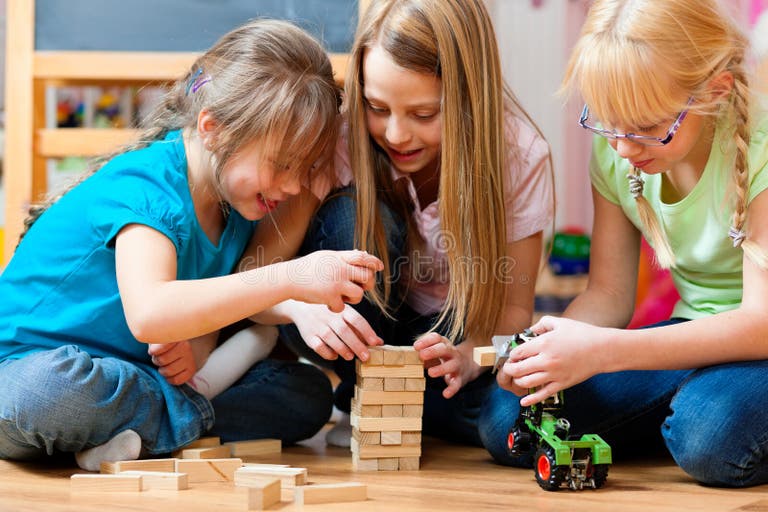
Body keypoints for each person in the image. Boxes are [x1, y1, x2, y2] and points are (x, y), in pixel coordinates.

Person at [0, 19, 383, 471]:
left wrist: (290, 296)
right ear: (213, 129)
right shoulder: (148, 186)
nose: (293, 185)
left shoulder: (236, 201)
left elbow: (228, 304)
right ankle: (164, 419)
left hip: (131, 377)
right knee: (47, 393)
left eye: (305, 168)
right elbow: (150, 314)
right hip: (31, 374)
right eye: (282, 164)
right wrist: (291, 279)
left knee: (305, 396)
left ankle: (126, 436)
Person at [479, 0, 768, 488]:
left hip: (758, 340)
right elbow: (609, 296)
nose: (622, 146)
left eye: (648, 127)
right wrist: (544, 349)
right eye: (607, 121)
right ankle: (688, 407)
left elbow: (760, 325)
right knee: (509, 416)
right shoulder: (618, 147)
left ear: (712, 92)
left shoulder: (759, 146)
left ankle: (695, 411)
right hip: (693, 338)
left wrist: (607, 353)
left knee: (709, 437)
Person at [269, 0, 554, 447]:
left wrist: (468, 357)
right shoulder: (340, 139)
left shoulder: (519, 155)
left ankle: (389, 401)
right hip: (348, 325)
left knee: (505, 421)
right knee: (355, 216)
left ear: (469, 98)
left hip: (452, 330)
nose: (397, 134)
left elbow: (514, 312)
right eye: (376, 107)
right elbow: (257, 273)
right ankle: (368, 387)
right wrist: (299, 309)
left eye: (424, 114)